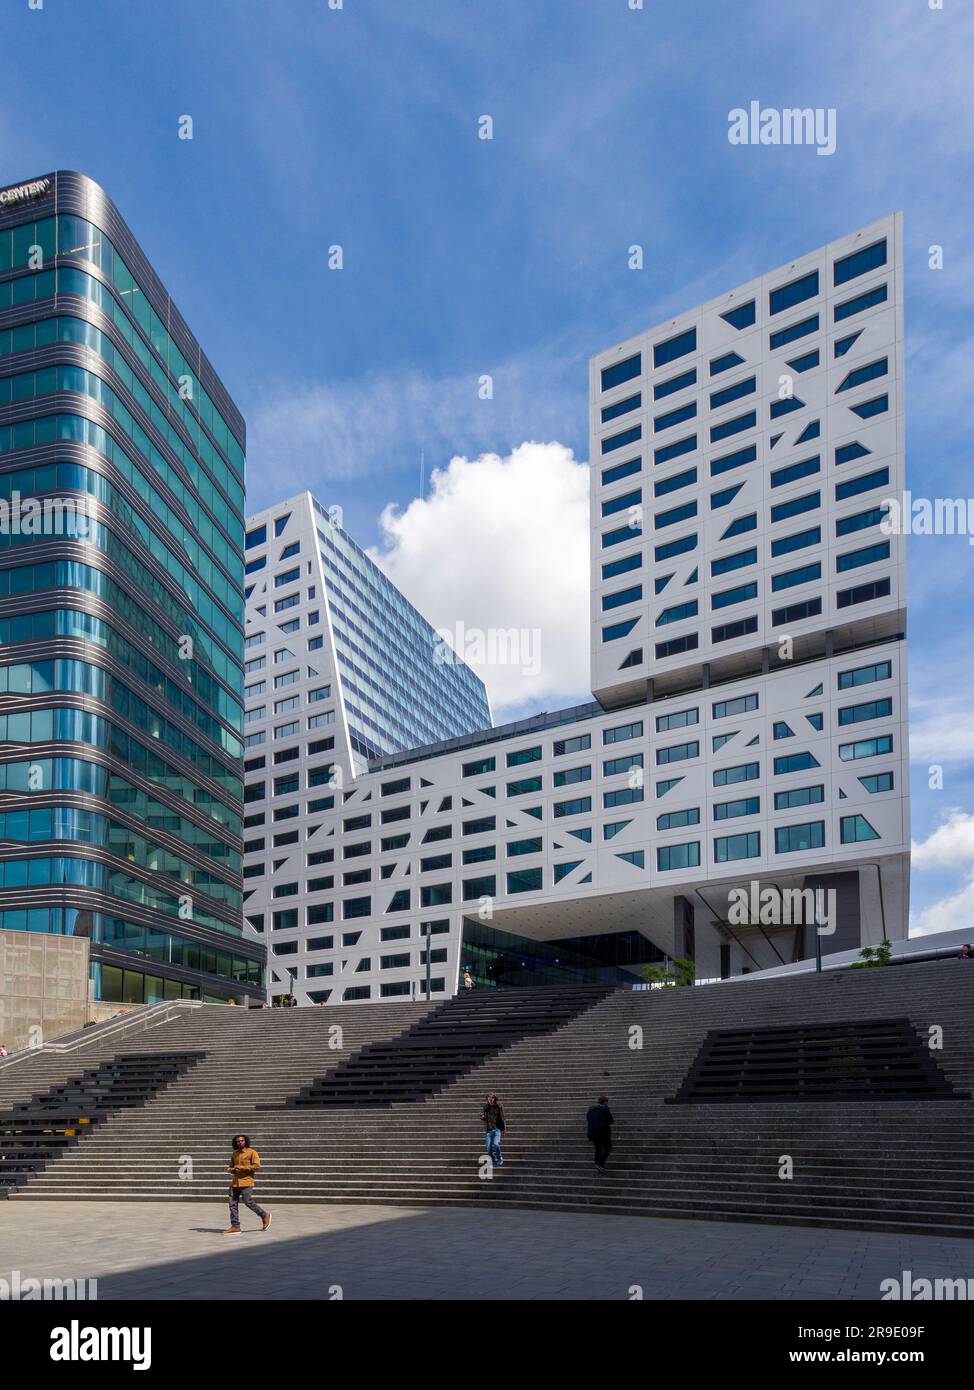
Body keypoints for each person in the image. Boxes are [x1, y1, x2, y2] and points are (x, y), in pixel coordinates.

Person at [224, 1134, 272, 1235]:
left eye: (241, 1141)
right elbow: (232, 1167)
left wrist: (241, 1167)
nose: (240, 1142)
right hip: (235, 1183)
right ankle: (235, 1226)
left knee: (248, 1201)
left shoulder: (252, 1152)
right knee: (232, 1205)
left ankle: (264, 1215)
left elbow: (256, 1166)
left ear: (245, 1141)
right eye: (238, 1141)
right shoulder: (235, 1154)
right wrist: (231, 1170)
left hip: (247, 1181)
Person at [587, 1094, 614, 1175]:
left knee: (598, 1149)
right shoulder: (605, 1108)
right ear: (605, 1102)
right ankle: (600, 1164)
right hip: (603, 1133)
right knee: (608, 1147)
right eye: (607, 1102)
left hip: (592, 1132)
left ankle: (597, 1163)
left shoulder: (590, 1110)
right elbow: (611, 1120)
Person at [481, 1092, 505, 1167]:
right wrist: (483, 1118)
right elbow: (485, 1117)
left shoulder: (499, 1106)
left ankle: (499, 1158)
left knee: (495, 1144)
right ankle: (492, 1161)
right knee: (488, 1147)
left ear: (494, 1099)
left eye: (492, 1098)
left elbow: (502, 1118)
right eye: (489, 1099)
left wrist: (504, 1129)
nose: (490, 1100)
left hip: (497, 1129)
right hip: (489, 1129)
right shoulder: (485, 1107)